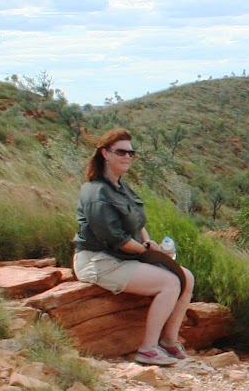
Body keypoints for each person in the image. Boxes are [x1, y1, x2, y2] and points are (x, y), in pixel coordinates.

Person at [71, 127, 196, 366]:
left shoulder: (121, 186)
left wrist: (149, 243)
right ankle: (148, 349)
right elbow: (114, 238)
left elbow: (137, 222)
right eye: (121, 152)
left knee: (186, 277)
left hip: (122, 257)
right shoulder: (95, 192)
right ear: (105, 154)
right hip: (99, 261)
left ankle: (169, 341)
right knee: (169, 282)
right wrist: (149, 253)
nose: (127, 157)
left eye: (131, 152)